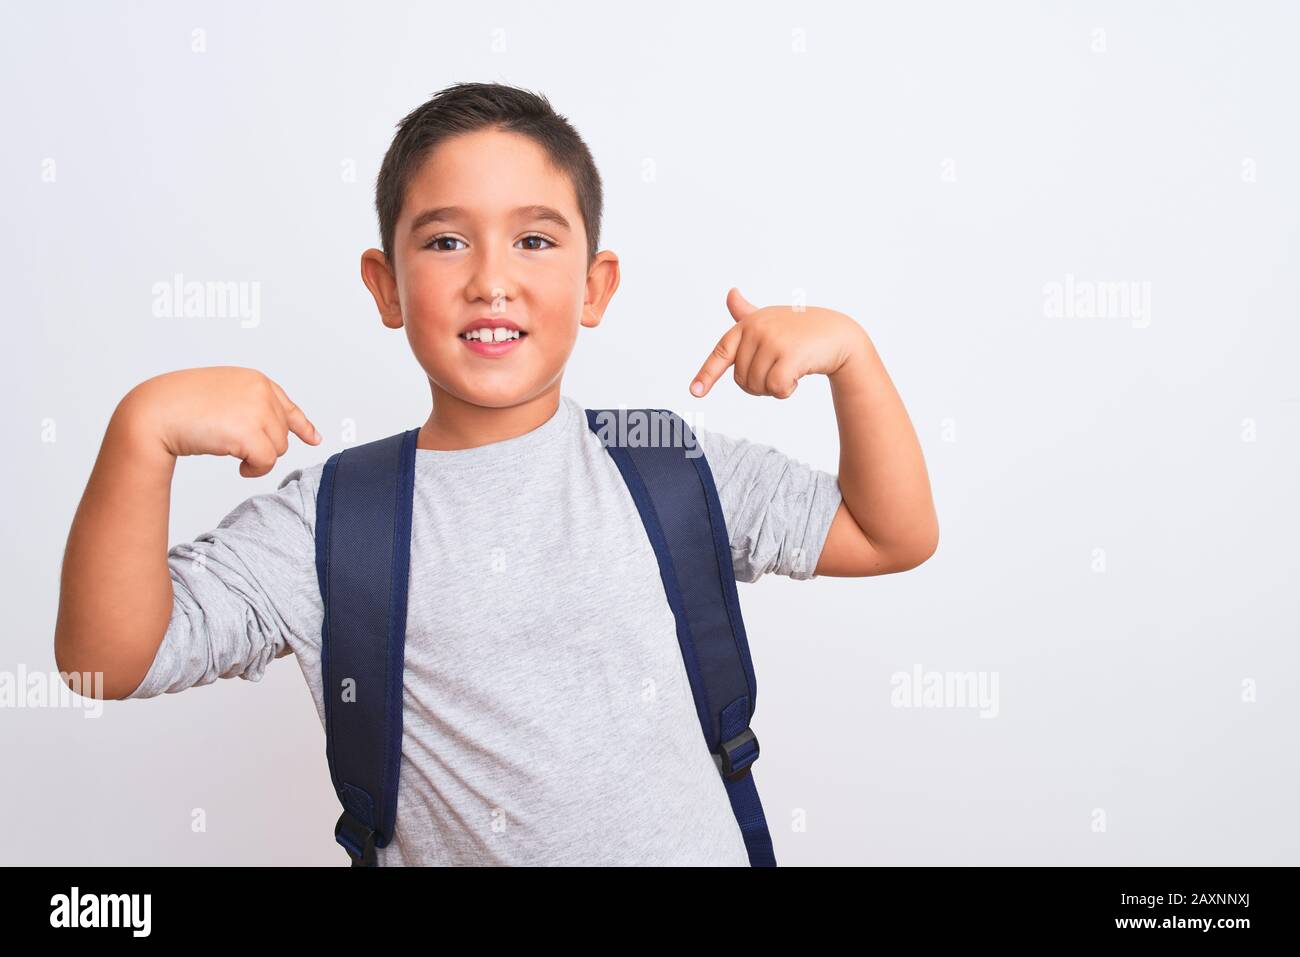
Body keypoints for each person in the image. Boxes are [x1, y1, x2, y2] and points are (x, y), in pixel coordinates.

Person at [53, 81, 939, 865]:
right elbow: (104, 663)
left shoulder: (664, 461)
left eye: (535, 241)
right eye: (444, 242)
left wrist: (854, 361)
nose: (491, 280)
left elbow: (892, 531)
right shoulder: (334, 520)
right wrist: (142, 434)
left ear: (595, 287)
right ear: (386, 285)